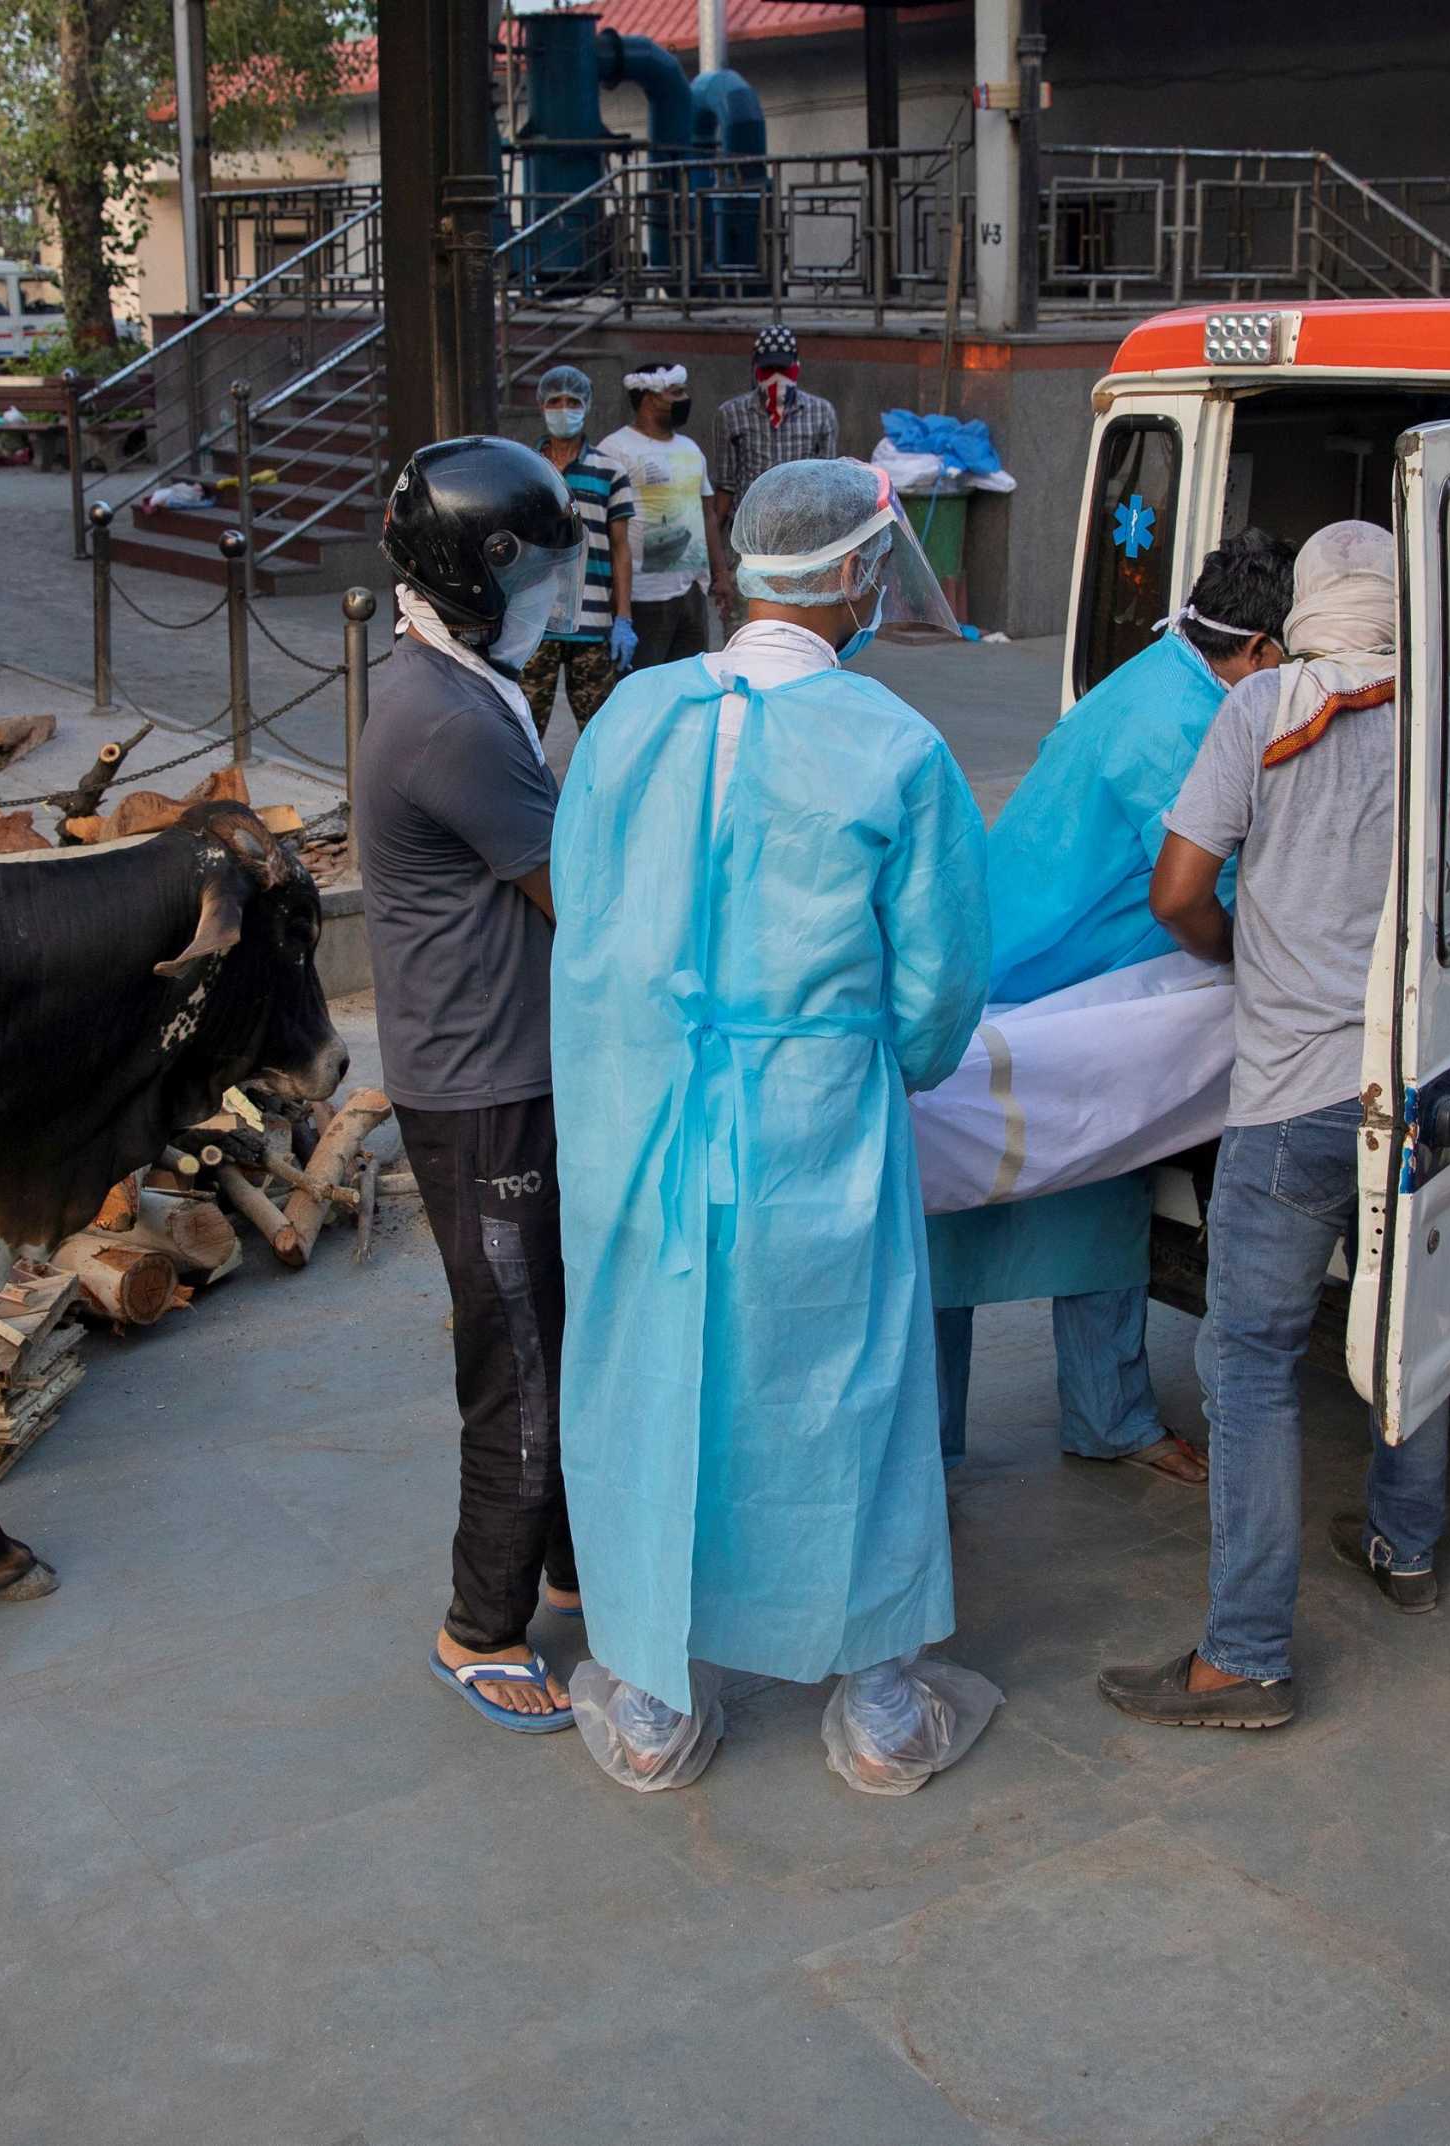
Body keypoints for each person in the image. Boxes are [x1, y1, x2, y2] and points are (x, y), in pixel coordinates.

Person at [553, 458, 1002, 1794]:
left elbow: (582, 911)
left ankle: (649, 1697)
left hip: (640, 1111)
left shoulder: (631, 719)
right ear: (860, 576)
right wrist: (876, 1071)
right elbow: (936, 983)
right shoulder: (897, 750)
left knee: (651, 1380)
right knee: (840, 1388)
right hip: (815, 1121)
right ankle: (875, 1706)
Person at [1101, 520, 1450, 1732]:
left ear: (1302, 608)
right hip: (1423, 1087)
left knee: (1248, 1363)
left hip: (1297, 1095)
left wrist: (1247, 955)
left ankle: (1245, 1656)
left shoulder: (1264, 709)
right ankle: (1405, 1546)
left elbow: (1177, 891)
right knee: (1413, 1315)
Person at [927, 531, 1299, 1486]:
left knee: (1098, 1187)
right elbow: (1189, 893)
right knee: (956, 1210)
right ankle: (931, 1451)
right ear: (1260, 651)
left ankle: (1105, 1416)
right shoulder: (1183, 729)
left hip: (1042, 974)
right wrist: (1257, 965)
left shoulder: (1165, 668)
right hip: (1034, 993)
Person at [355, 435, 591, 1734]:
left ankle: (564, 1561)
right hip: (481, 1083)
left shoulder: (461, 677)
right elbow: (578, 896)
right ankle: (478, 1623)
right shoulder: (449, 719)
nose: (556, 601)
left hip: (498, 1062)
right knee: (517, 1353)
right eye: (542, 575)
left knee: (546, 1321)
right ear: (479, 575)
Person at [518, 365, 639, 738]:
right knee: (523, 730)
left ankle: (596, 797)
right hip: (534, 625)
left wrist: (623, 618)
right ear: (541, 406)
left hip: (593, 626)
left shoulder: (610, 472)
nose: (564, 409)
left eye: (572, 401)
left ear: (586, 407)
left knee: (599, 733)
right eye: (555, 401)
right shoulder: (524, 468)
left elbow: (620, 549)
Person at [597, 363, 729, 667]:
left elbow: (707, 514)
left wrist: (720, 574)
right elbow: (604, 528)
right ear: (648, 398)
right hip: (643, 598)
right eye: (676, 393)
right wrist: (619, 607)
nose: (684, 399)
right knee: (645, 690)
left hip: (691, 595)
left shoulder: (691, 448)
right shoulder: (615, 450)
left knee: (689, 686)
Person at [710, 325, 839, 582]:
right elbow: (725, 488)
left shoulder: (821, 413)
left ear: (796, 367)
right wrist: (718, 565)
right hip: (749, 543)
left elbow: (829, 487)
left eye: (783, 370)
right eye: (769, 371)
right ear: (756, 369)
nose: (776, 378)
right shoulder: (731, 414)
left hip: (804, 542)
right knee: (747, 619)